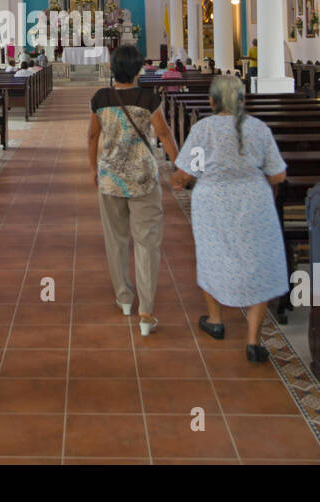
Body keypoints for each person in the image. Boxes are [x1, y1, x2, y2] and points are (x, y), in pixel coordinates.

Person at [171, 74, 289, 363]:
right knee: (257, 261)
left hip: (212, 203)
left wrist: (177, 179)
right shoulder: (259, 129)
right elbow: (278, 174)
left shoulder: (202, 130)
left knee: (213, 256)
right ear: (243, 101)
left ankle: (216, 320)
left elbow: (187, 174)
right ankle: (253, 341)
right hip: (254, 202)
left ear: (211, 102)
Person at [88, 43, 180, 337]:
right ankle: (146, 311)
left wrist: (93, 169)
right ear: (139, 69)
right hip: (143, 179)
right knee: (147, 242)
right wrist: (179, 166)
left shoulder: (101, 98)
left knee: (116, 241)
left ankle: (124, 298)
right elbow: (163, 133)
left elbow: (93, 136)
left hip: (111, 177)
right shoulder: (148, 98)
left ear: (113, 69)